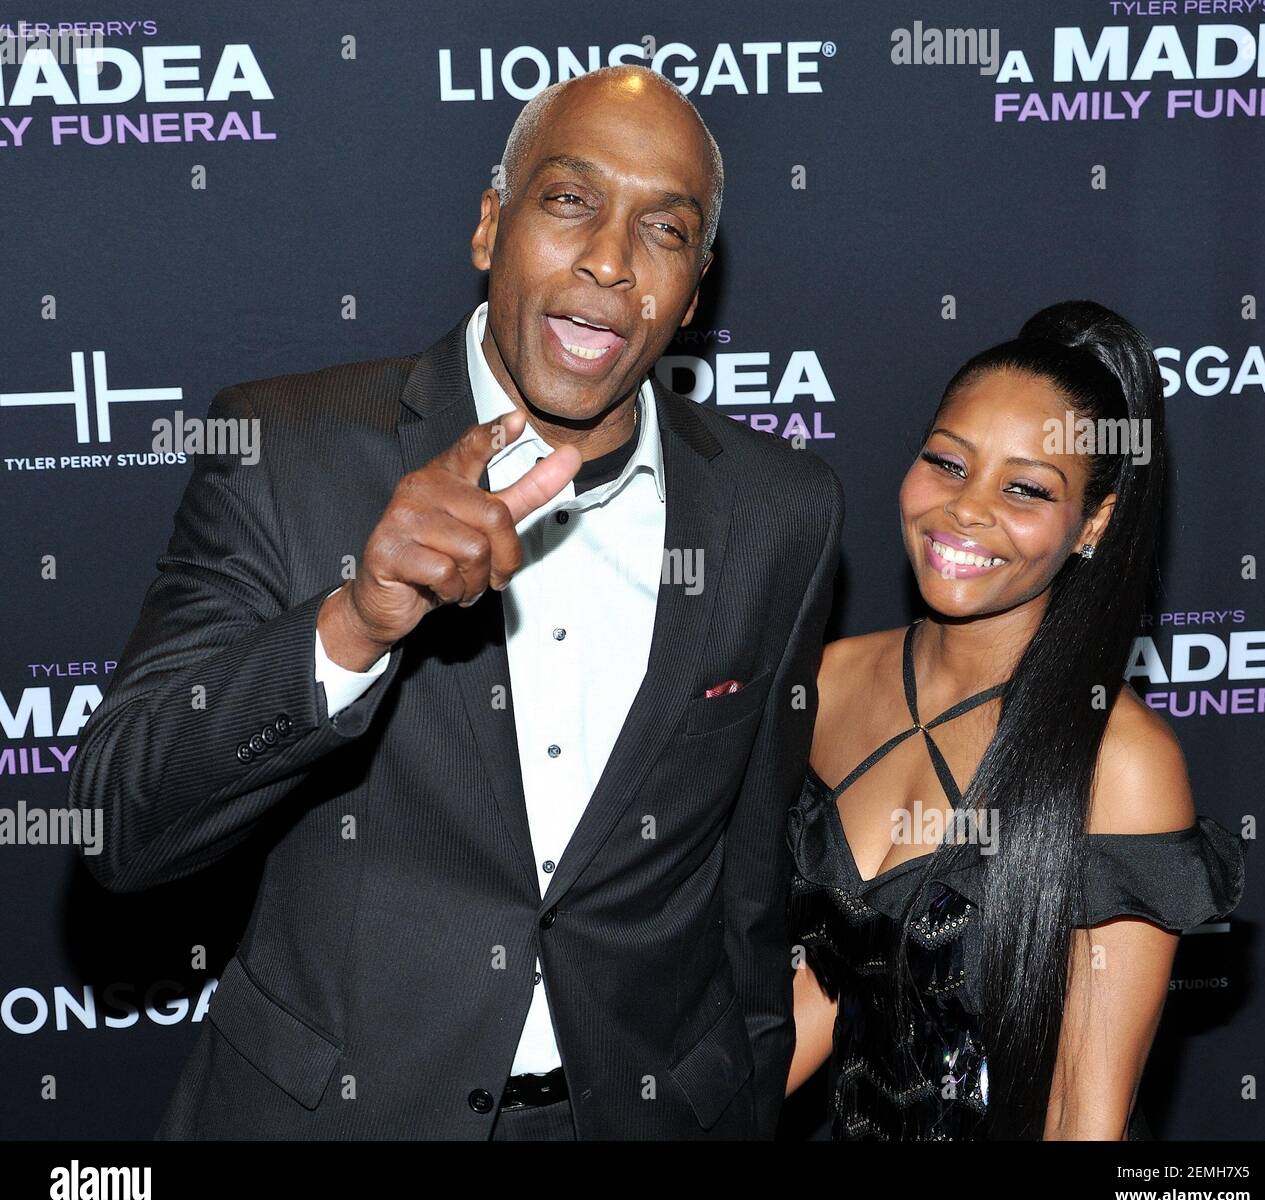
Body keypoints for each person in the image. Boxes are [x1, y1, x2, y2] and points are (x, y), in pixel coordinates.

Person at [68, 65, 844, 1140]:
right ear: (490, 225)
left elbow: (748, 891)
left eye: (662, 231)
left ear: (694, 289)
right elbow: (117, 820)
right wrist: (354, 623)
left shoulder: (779, 513)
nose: (610, 262)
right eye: (570, 201)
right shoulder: (287, 450)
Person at [785, 301, 1246, 1140]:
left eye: (1026, 488)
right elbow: (823, 990)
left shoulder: (1120, 760)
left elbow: (1084, 1115)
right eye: (948, 463)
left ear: (1093, 524)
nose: (966, 510)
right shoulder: (827, 681)